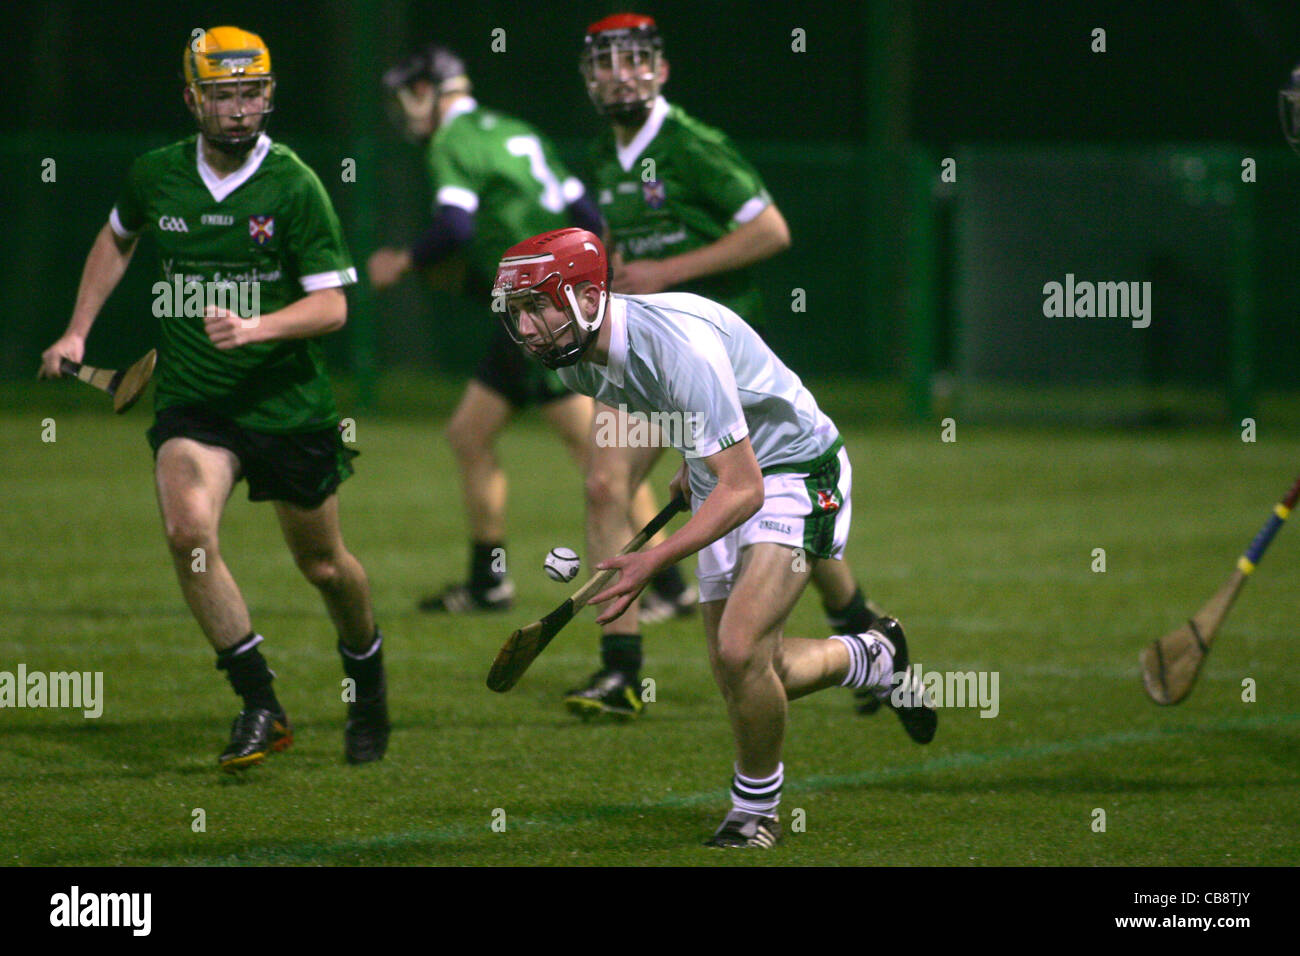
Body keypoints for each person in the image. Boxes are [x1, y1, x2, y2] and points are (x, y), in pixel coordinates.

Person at [492, 227, 938, 847]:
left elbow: (747, 486)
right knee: (750, 666)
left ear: (590, 297)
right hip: (727, 474)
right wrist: (694, 459)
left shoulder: (676, 347)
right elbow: (683, 413)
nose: (529, 326)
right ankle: (873, 655)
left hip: (795, 473)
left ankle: (755, 810)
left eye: (538, 304)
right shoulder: (577, 367)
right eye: (518, 311)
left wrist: (654, 559)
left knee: (736, 650)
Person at [38, 27, 388, 770]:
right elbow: (116, 237)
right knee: (187, 534)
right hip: (195, 405)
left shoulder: (294, 185)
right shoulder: (156, 174)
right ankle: (260, 702)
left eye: (250, 95)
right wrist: (76, 332)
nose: (237, 111)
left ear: (269, 95)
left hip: (287, 406)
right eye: (222, 96)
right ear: (193, 98)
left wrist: (258, 327)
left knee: (325, 567)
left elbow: (332, 309)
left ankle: (366, 675)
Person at [563, 12, 885, 720]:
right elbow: (618, 248)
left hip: (718, 355)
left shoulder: (694, 146)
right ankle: (621, 669)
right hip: (646, 358)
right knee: (604, 481)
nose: (620, 75)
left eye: (634, 60)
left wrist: (668, 271)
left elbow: (771, 230)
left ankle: (863, 627)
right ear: (589, 78)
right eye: (605, 64)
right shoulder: (606, 155)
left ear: (661, 69)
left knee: (780, 505)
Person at [367, 43, 679, 618]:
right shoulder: (513, 129)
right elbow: (584, 211)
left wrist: (403, 262)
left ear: (421, 92)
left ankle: (670, 584)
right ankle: (489, 582)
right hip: (539, 304)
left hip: (539, 316)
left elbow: (454, 225)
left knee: (601, 454)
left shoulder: (452, 141)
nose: (404, 112)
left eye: (405, 99)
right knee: (469, 434)